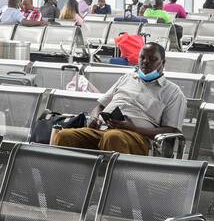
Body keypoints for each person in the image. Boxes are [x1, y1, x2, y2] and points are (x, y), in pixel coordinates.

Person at [49, 42, 186, 156]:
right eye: (142, 57)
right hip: (103, 130)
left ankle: (114, 187)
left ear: (163, 62)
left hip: (138, 137)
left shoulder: (172, 92)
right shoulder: (127, 78)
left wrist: (134, 128)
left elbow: (172, 131)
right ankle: (67, 185)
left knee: (113, 137)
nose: (145, 62)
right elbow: (100, 106)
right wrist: (95, 118)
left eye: (152, 59)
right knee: (63, 136)